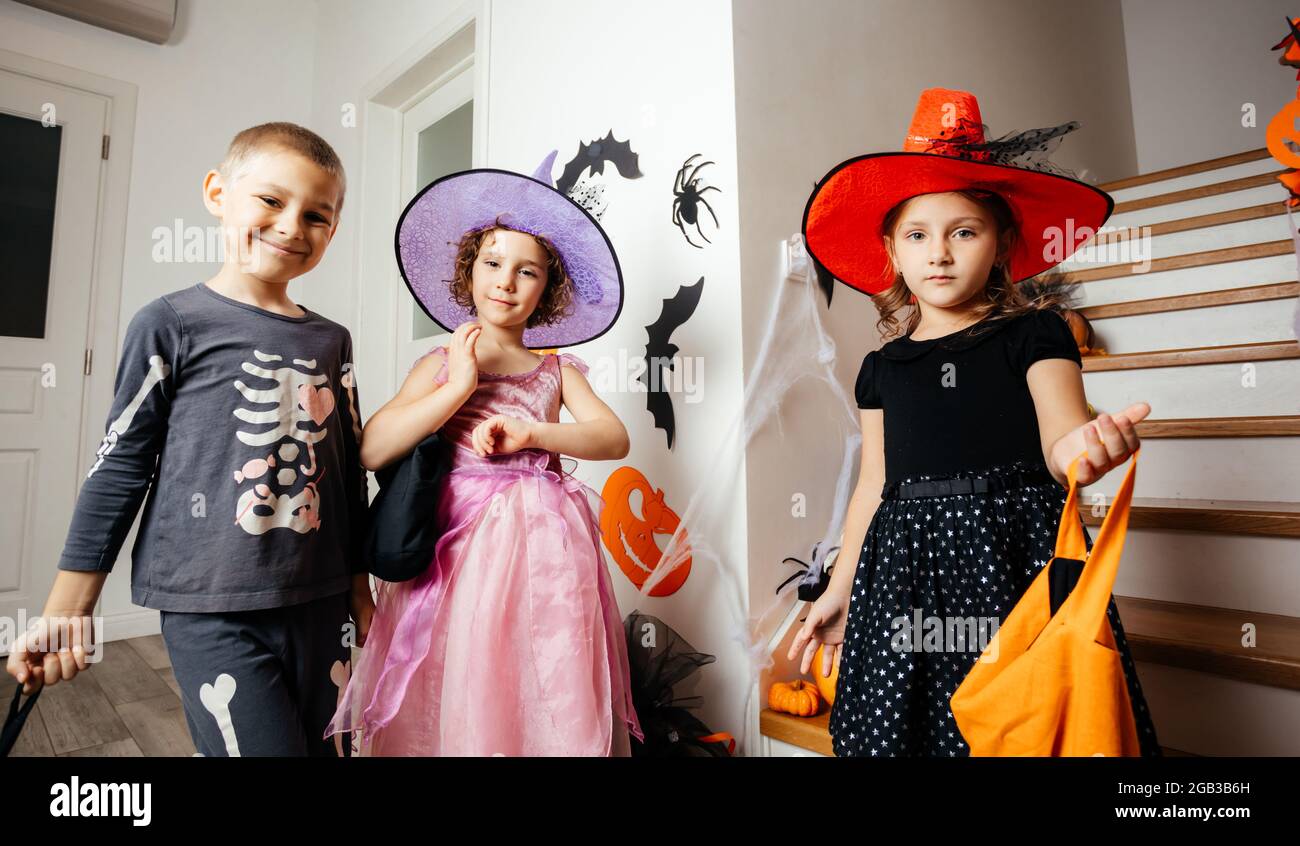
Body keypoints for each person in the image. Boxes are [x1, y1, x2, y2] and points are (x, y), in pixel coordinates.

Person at [790, 88, 1160, 756]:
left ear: (1001, 242)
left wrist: (1086, 449)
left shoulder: (1036, 334)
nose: (940, 253)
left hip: (1011, 562)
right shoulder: (880, 368)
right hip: (903, 574)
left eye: (964, 231)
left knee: (1030, 724)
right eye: (918, 235)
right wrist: (839, 586)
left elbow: (1061, 439)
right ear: (891, 251)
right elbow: (873, 487)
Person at [6, 122, 373, 757]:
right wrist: (69, 608)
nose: (291, 226)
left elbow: (344, 472)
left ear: (332, 231)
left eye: (317, 215)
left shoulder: (331, 339)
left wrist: (358, 585)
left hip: (320, 596)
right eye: (270, 200)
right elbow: (120, 465)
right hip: (210, 601)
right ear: (216, 192)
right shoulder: (171, 323)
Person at [327, 160, 643, 755]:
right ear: (469, 271)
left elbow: (612, 437)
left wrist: (533, 435)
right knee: (461, 656)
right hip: (457, 546)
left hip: (546, 552)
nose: (506, 281)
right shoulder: (441, 364)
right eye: (493, 263)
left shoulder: (555, 369)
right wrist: (457, 388)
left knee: (539, 659)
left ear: (547, 290)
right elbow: (372, 448)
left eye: (528, 272)